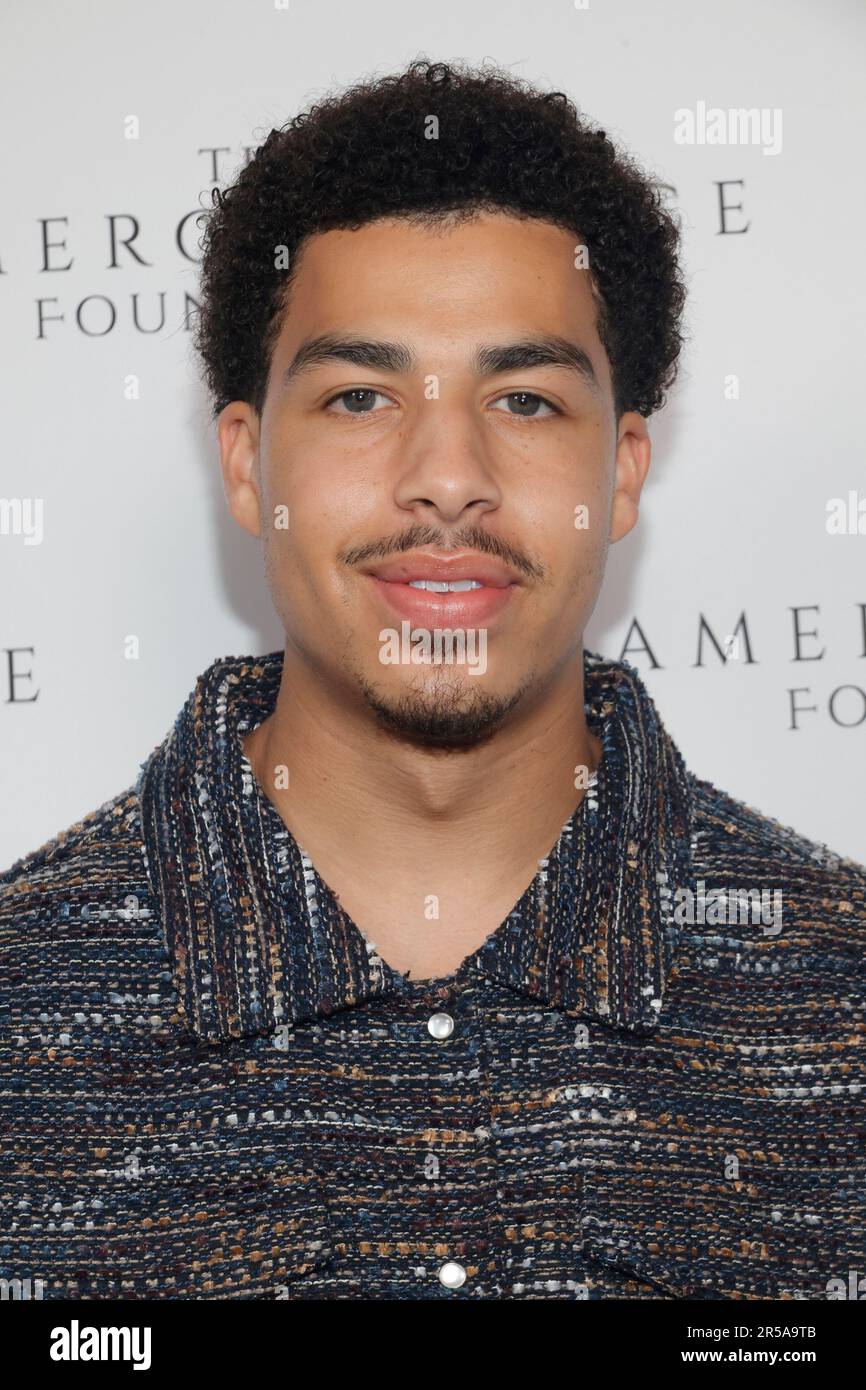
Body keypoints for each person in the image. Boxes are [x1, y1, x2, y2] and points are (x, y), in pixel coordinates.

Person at [1, 57, 863, 1302]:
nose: (446, 475)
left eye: (521, 398)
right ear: (246, 467)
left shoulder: (836, 1000)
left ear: (622, 475)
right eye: (360, 395)